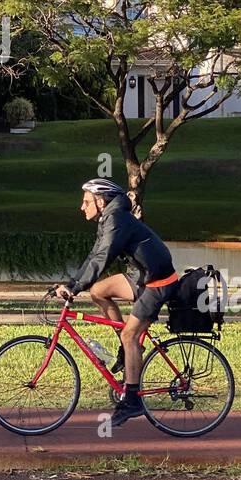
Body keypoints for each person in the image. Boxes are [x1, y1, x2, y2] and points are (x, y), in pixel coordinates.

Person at [53, 177, 178, 427]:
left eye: (86, 201)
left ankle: (133, 401)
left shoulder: (117, 219)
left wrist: (74, 287)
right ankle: (125, 351)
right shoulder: (110, 217)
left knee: (130, 336)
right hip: (141, 276)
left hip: (157, 282)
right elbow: (95, 255)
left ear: (100, 201)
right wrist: (74, 283)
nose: (82, 207)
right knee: (98, 291)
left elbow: (103, 258)